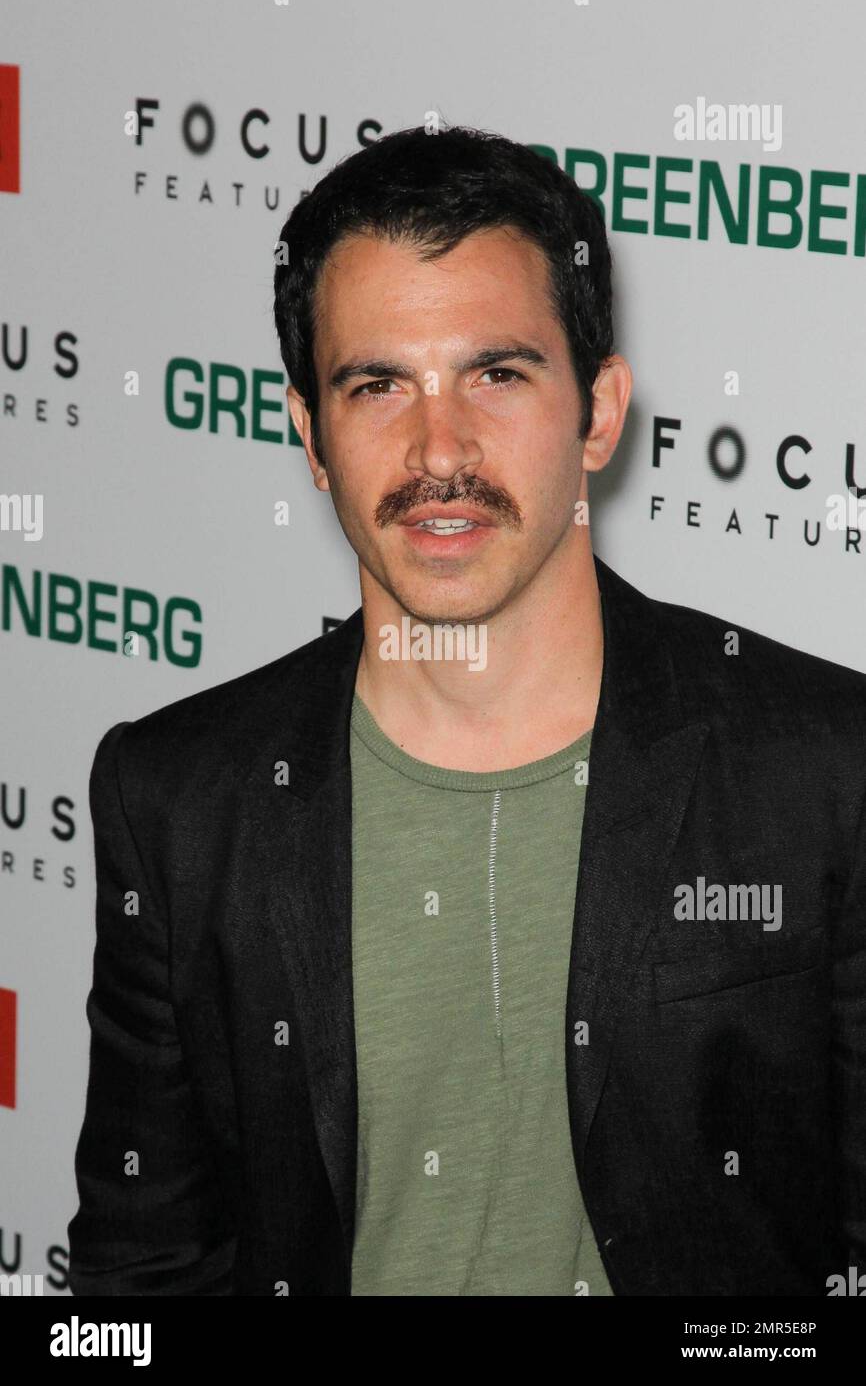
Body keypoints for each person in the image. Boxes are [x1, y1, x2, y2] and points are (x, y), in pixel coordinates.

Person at [68, 124, 866, 1296]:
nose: (438, 450)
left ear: (597, 413)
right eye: (377, 383)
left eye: (496, 374)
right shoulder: (180, 798)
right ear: (311, 436)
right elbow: (143, 1273)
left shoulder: (820, 767)